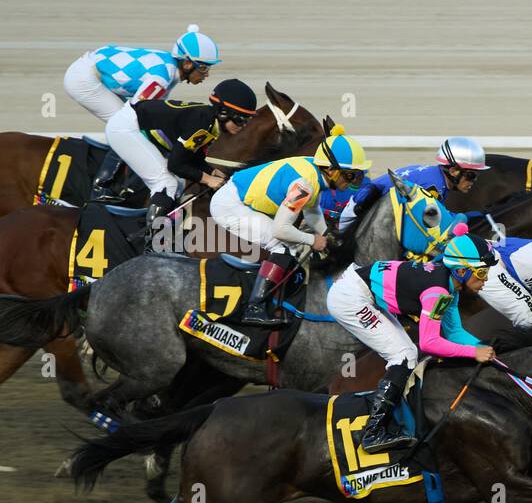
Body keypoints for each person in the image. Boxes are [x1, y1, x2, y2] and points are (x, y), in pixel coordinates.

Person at [326, 226, 497, 453]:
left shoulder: (449, 286)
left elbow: (455, 333)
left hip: (364, 292)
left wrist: (488, 350)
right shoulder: (438, 292)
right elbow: (429, 343)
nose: (485, 281)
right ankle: (372, 432)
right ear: (462, 272)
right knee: (404, 355)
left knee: (407, 352)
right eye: (482, 273)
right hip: (351, 299)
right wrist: (474, 353)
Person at [208, 126, 371, 325]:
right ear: (331, 170)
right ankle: (254, 307)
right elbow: (281, 230)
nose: (353, 182)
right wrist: (313, 240)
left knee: (291, 248)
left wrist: (327, 234)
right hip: (231, 206)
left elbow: (312, 211)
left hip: (238, 198)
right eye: (350, 176)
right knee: (282, 246)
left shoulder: (315, 171)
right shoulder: (304, 184)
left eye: (357, 176)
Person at [101, 79, 258, 238]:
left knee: (177, 185)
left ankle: (161, 233)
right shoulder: (203, 122)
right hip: (125, 128)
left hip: (131, 123)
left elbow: (190, 157)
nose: (243, 125)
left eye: (247, 120)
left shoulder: (209, 121)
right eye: (240, 119)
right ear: (223, 113)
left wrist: (212, 171)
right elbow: (175, 165)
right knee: (166, 183)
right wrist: (208, 179)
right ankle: (151, 242)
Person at [64, 24, 220, 122]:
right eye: (203, 68)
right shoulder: (161, 78)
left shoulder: (169, 65)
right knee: (129, 125)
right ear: (187, 64)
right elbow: (137, 112)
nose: (206, 75)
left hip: (90, 68)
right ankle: (106, 175)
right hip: (83, 79)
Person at [337, 136, 488, 232]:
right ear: (454, 171)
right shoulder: (434, 187)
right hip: (357, 214)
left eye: (476, 176)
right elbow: (432, 223)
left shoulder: (437, 179)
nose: (473, 182)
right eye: (471, 175)